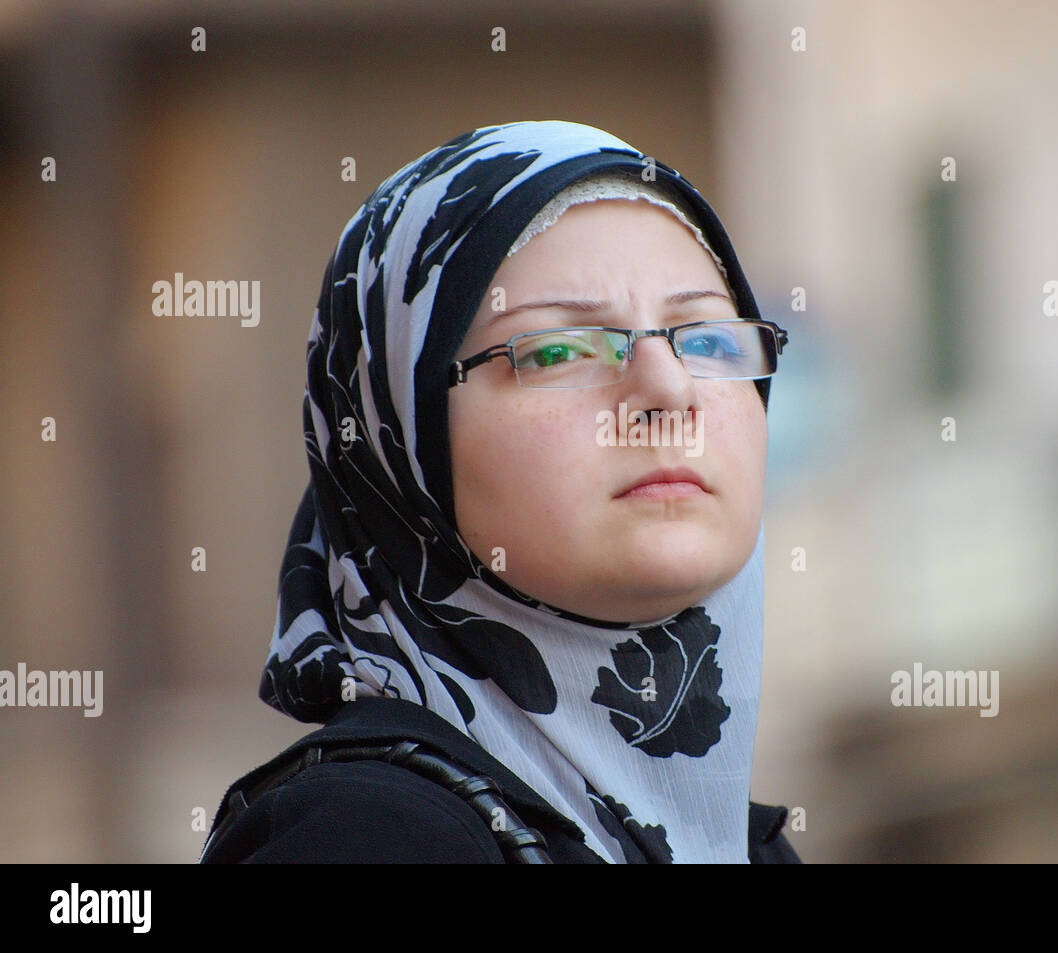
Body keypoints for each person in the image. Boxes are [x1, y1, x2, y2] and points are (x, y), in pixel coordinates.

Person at [199, 119, 798, 863]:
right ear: (400, 440)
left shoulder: (747, 848)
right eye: (555, 349)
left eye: (707, 339)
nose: (669, 391)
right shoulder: (366, 837)